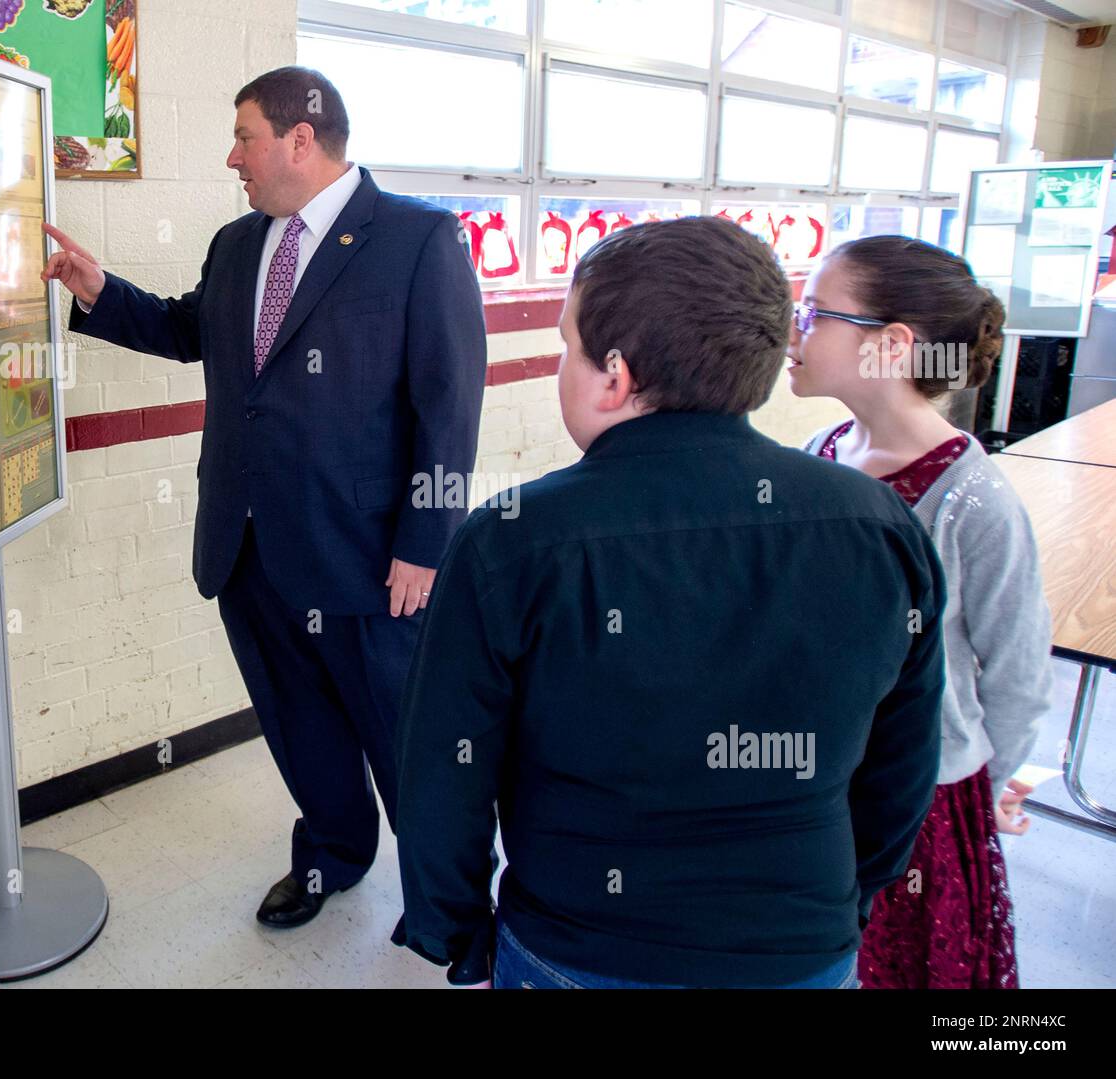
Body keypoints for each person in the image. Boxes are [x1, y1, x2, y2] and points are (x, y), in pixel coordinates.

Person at [391, 216, 947, 988]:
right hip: (801, 945)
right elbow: (905, 765)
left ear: (614, 376)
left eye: (568, 347)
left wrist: (456, 930)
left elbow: (443, 774)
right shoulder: (882, 529)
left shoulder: (511, 542)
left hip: (582, 945)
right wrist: (842, 906)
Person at [41, 66, 486, 929]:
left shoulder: (418, 240)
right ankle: (331, 857)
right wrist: (99, 290)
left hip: (369, 558)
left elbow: (448, 401)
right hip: (248, 546)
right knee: (299, 726)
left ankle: (452, 906)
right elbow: (184, 329)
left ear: (300, 138)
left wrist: (425, 544)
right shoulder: (240, 242)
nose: (232, 156)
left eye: (244, 135)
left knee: (407, 740)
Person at [791, 235, 1053, 989]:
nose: (794, 333)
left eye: (814, 314)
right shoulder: (823, 450)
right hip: (819, 780)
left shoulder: (975, 501)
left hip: (917, 803)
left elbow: (1018, 676)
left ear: (892, 345)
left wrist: (977, 780)